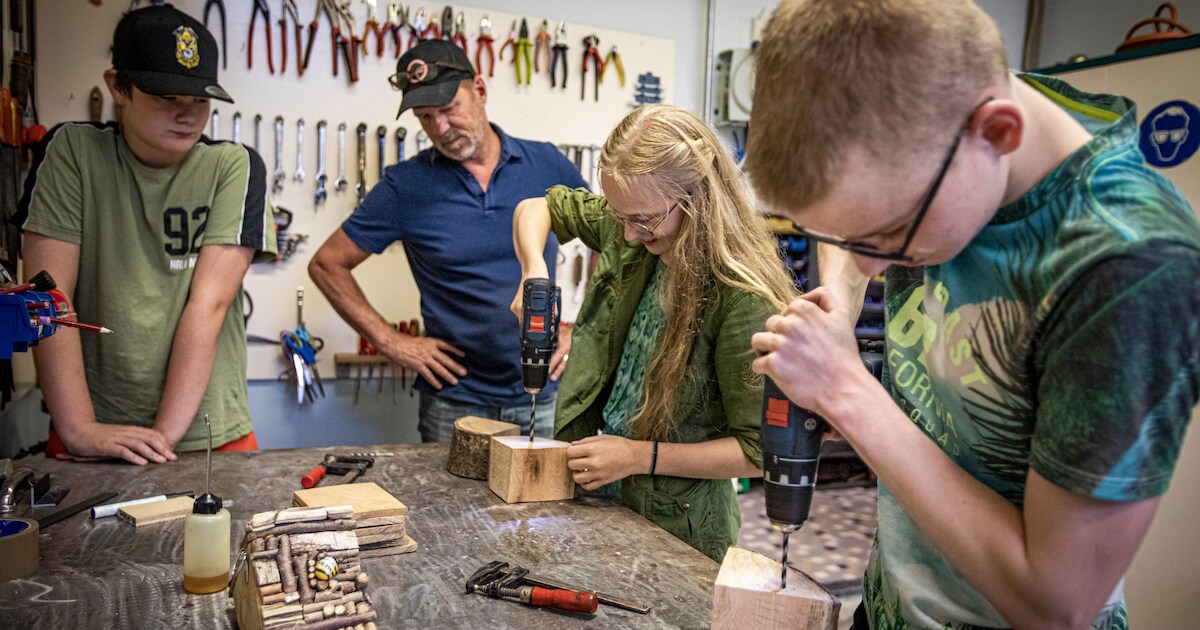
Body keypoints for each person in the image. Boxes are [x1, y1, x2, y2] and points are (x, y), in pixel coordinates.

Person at [745, 1, 1200, 627]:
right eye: (847, 237)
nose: (874, 270)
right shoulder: (943, 129)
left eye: (889, 234)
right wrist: (841, 300)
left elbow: (1056, 606)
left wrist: (847, 390)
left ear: (998, 133)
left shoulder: (1129, 268)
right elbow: (860, 208)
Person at [511, 104, 797, 562]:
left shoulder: (743, 299)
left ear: (698, 202)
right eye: (620, 217)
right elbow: (536, 208)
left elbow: (758, 452)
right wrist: (533, 270)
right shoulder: (637, 225)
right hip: (608, 494)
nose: (625, 235)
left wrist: (638, 456)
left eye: (641, 221)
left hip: (679, 523)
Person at [18, 5, 276, 466]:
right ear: (118, 85)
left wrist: (160, 441)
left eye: (199, 100)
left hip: (209, 432)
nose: (186, 115)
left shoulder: (234, 165)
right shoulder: (72, 151)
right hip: (92, 429)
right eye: (165, 97)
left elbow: (209, 304)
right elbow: (47, 297)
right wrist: (79, 429)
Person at [308, 40, 586, 443]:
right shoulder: (406, 185)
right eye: (425, 117)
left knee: (549, 506)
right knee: (451, 508)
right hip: (456, 401)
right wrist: (392, 342)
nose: (440, 128)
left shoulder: (547, 164)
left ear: (481, 90)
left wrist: (584, 325)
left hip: (545, 395)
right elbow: (326, 264)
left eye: (449, 109)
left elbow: (612, 237)